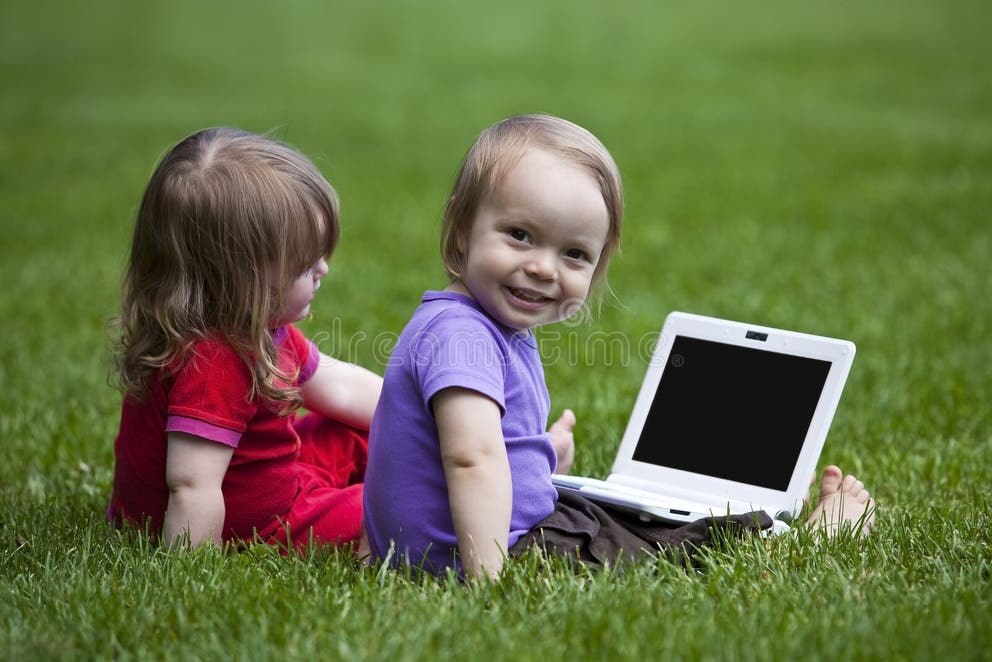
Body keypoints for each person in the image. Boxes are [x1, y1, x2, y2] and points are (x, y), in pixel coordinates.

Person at [362, 114, 876, 579]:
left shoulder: (477, 324)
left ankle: (759, 509)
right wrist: (489, 582)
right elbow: (472, 458)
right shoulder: (462, 335)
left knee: (620, 515)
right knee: (666, 551)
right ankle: (807, 538)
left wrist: (537, 463)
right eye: (519, 234)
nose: (543, 267)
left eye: (574, 254)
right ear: (460, 232)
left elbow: (464, 451)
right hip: (484, 555)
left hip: (476, 539)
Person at [107, 127, 382, 553]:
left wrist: (420, 414)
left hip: (265, 474)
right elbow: (191, 485)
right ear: (242, 280)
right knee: (391, 508)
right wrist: (190, 571)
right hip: (262, 521)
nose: (323, 270)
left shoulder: (257, 327)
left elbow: (338, 386)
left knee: (366, 433)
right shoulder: (212, 362)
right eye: (304, 266)